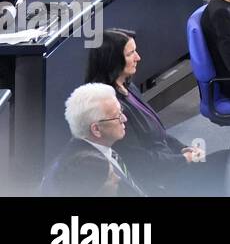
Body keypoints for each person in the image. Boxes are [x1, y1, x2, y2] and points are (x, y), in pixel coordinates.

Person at [84, 29, 217, 195]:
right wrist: (183, 159)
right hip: (160, 179)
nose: (138, 57)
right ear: (112, 60)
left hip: (170, 161)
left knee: (228, 161)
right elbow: (140, 161)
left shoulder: (128, 86)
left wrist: (182, 149)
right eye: (131, 53)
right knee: (225, 168)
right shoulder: (111, 107)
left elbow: (157, 132)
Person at [44, 82, 144, 197]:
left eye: (121, 111)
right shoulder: (87, 170)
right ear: (96, 129)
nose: (124, 119)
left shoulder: (103, 146)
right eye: (117, 116)